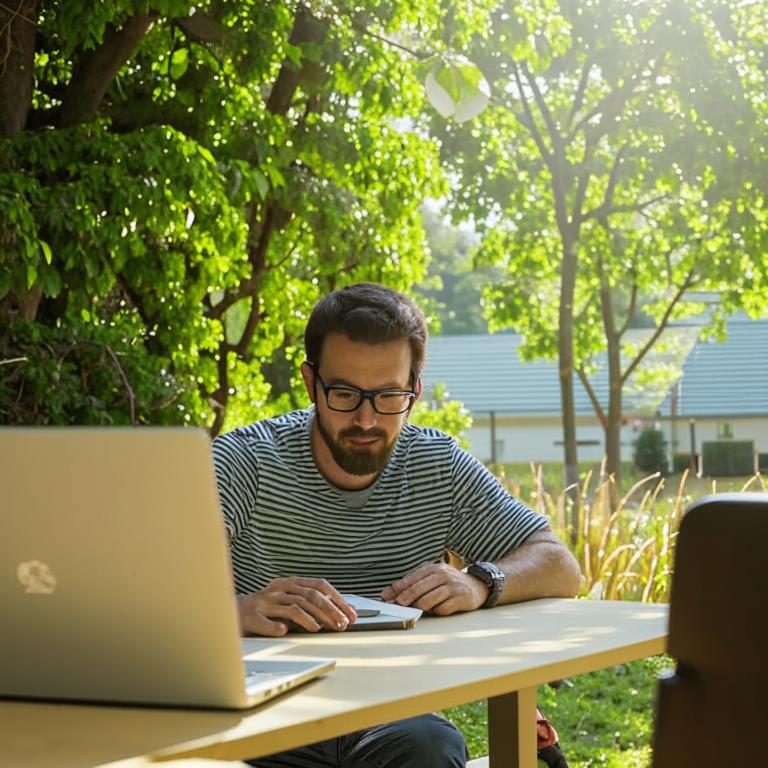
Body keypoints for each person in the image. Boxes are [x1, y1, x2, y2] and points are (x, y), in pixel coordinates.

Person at [212, 282, 581, 768]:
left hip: (395, 720)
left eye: (389, 395)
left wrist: (480, 581)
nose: (366, 419)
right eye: (344, 393)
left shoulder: (436, 464)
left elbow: (560, 564)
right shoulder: (244, 462)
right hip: (266, 714)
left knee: (432, 747)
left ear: (415, 390)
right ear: (310, 383)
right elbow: (144, 590)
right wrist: (231, 612)